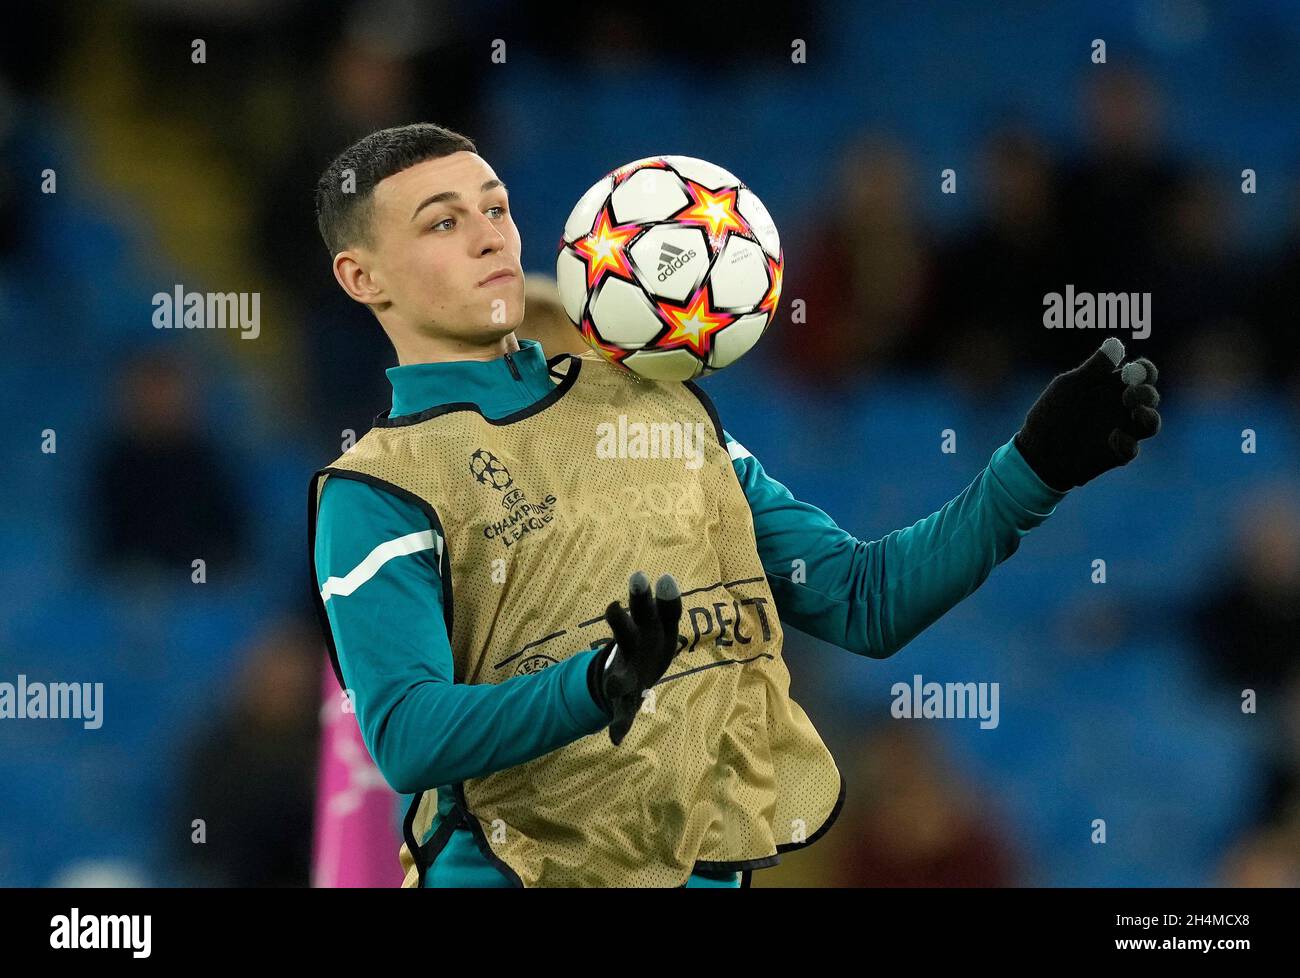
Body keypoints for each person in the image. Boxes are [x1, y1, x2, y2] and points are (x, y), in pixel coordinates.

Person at [308, 123, 1162, 888]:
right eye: (443, 221)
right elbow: (408, 733)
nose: (489, 236)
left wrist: (1032, 470)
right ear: (361, 276)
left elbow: (864, 599)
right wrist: (596, 684)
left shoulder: (658, 403)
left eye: (495, 208)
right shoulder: (378, 489)